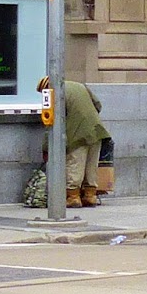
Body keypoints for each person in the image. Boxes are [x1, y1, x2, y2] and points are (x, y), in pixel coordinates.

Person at [36, 76, 109, 208]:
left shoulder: (54, 93)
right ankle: (90, 196)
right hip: (96, 129)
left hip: (78, 133)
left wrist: (46, 147)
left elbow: (51, 122)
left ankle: (73, 197)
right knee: (91, 165)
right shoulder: (79, 85)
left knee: (75, 163)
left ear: (46, 89)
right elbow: (98, 105)